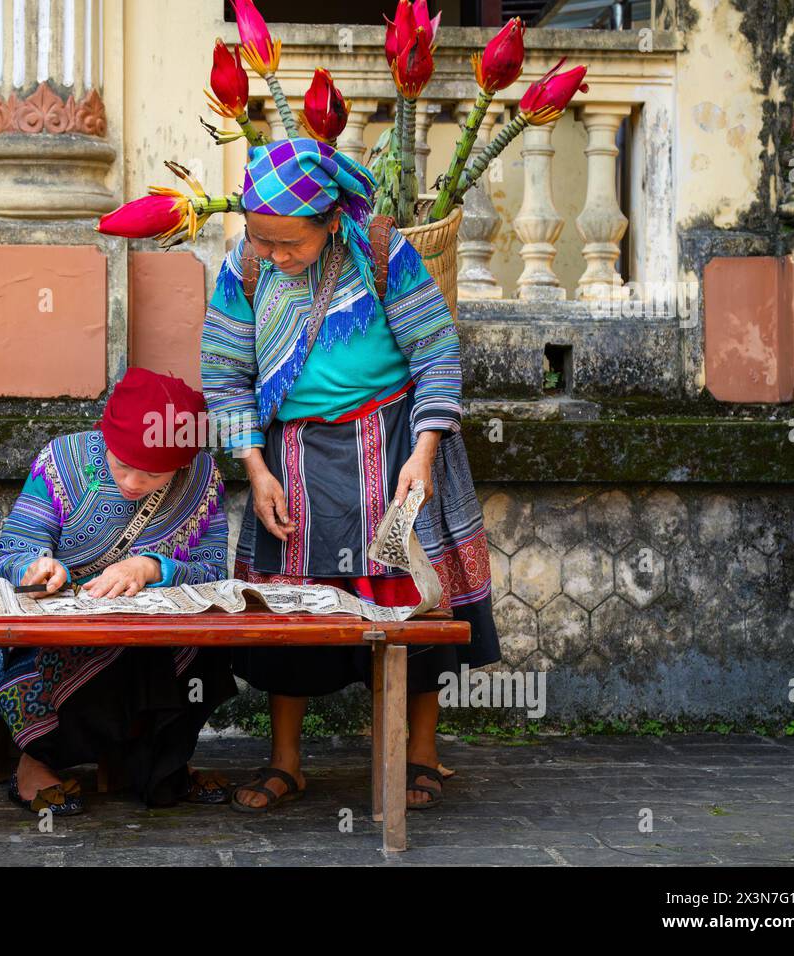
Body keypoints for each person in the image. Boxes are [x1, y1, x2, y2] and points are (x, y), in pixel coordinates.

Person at [201, 137, 500, 812]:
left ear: (331, 221)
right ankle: (286, 762)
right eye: (262, 240)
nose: (274, 256)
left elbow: (435, 351)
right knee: (288, 607)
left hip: (393, 446)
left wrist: (424, 454)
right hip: (292, 459)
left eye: (290, 244)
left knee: (410, 599)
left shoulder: (382, 252)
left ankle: (418, 754)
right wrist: (255, 467)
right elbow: (225, 372)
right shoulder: (244, 267)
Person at [0, 367, 235, 814]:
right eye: (122, 465)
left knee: (205, 648)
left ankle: (161, 765)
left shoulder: (200, 480)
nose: (133, 483)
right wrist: (37, 565)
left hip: (151, 635)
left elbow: (214, 573)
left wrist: (152, 567)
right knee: (95, 651)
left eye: (153, 475)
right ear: (105, 439)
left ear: (180, 466)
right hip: (59, 636)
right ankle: (35, 762)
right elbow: (11, 551)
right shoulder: (62, 462)